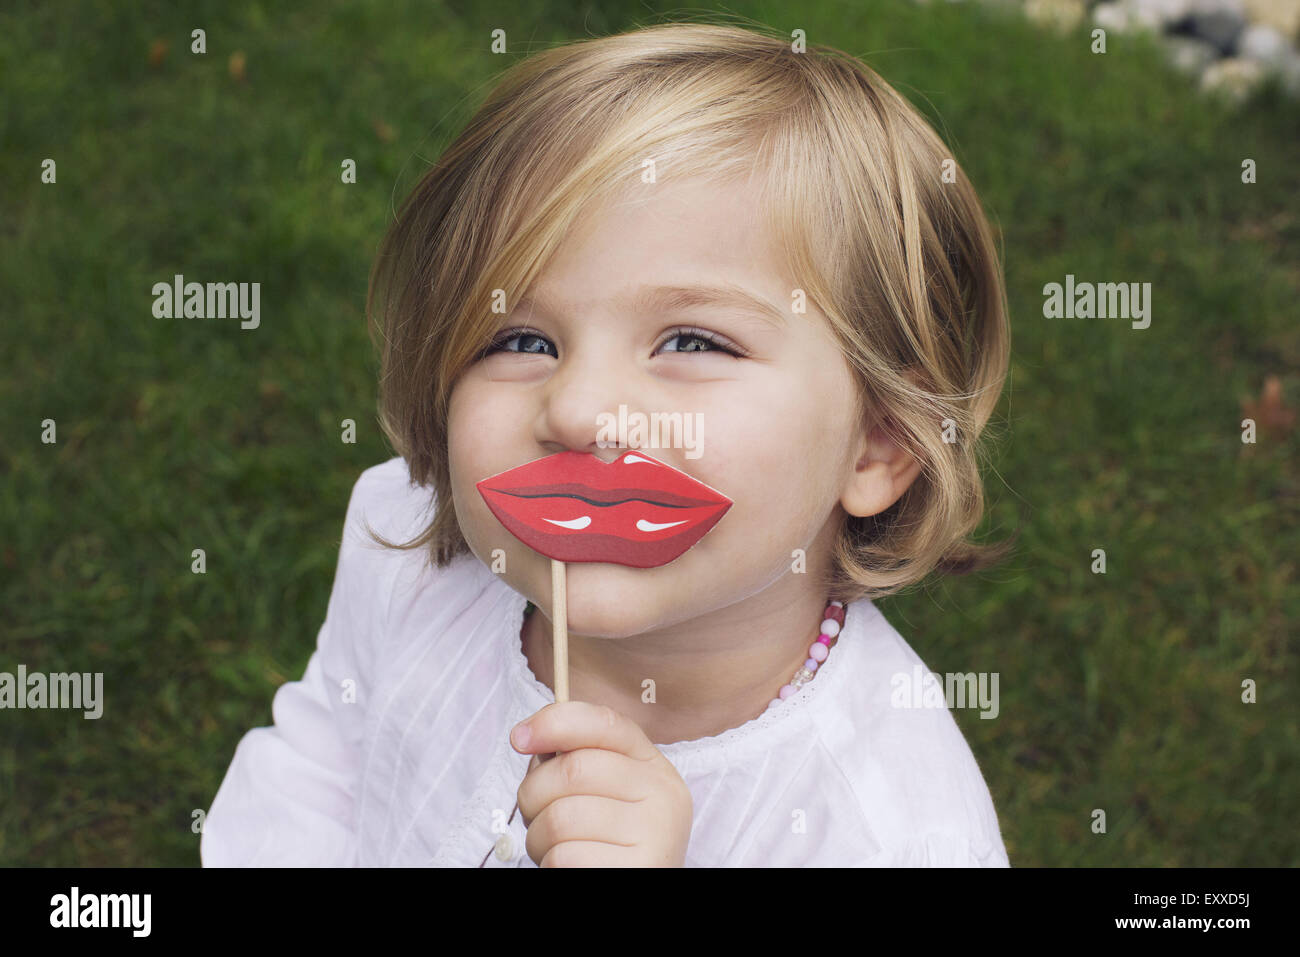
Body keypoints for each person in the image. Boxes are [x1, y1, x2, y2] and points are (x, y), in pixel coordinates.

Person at [202, 19, 1014, 867]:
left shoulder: (893, 831)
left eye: (694, 343)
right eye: (521, 340)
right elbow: (324, 763)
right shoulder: (405, 550)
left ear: (877, 444)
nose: (583, 409)